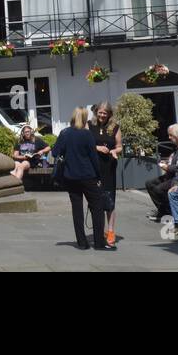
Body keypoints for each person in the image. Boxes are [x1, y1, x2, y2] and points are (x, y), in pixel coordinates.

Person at [52, 106, 114, 251]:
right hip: (88, 176)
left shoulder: (65, 133)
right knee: (97, 208)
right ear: (85, 118)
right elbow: (93, 157)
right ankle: (99, 242)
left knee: (77, 209)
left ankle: (81, 242)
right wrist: (98, 176)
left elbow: (55, 152)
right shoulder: (87, 135)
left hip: (70, 176)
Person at [91, 102, 122, 244]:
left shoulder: (114, 127)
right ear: (96, 112)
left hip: (109, 167)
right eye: (100, 112)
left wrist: (115, 151)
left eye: (105, 113)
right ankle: (99, 230)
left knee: (109, 200)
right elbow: (85, 143)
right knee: (96, 200)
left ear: (109, 114)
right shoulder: (89, 125)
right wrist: (97, 148)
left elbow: (119, 146)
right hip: (93, 167)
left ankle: (110, 231)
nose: (102, 115)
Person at [146, 124, 178, 221]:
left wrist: (167, 167)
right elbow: (174, 162)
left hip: (177, 177)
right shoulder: (176, 147)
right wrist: (166, 163)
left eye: (171, 135)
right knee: (150, 183)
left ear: (177, 134)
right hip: (170, 174)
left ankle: (169, 212)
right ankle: (162, 210)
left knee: (159, 189)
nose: (169, 137)